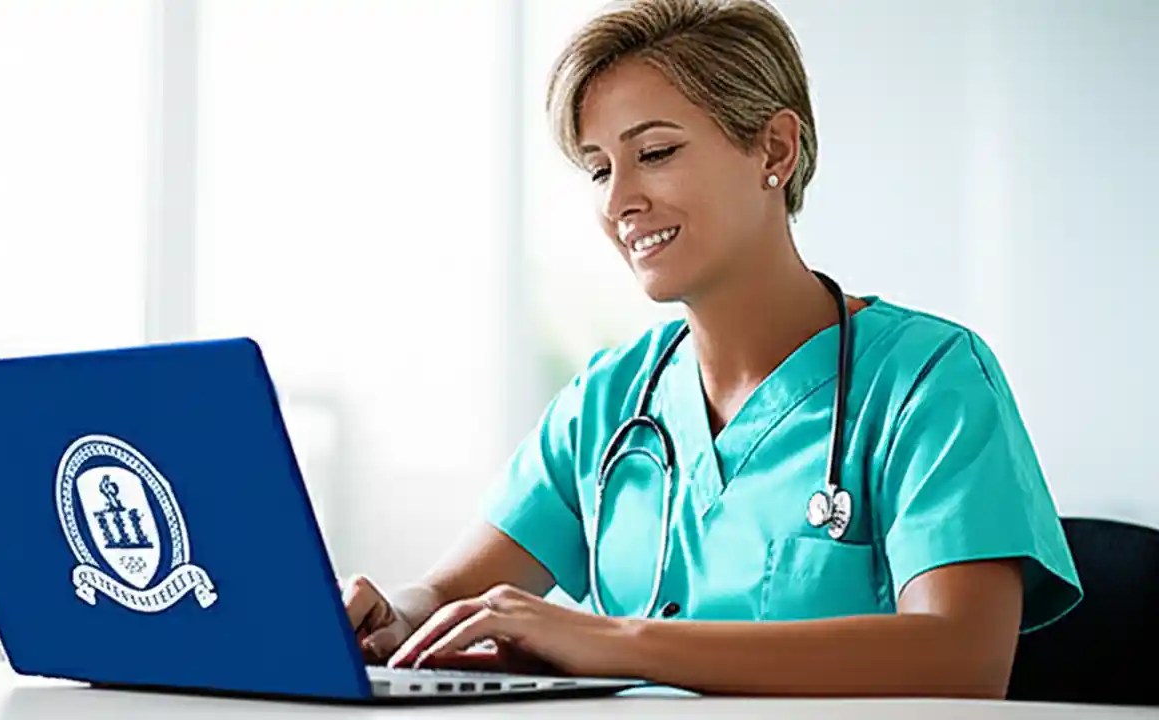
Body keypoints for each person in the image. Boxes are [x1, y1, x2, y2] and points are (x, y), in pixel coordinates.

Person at [341, 0, 1081, 698]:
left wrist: (616, 642)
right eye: (600, 168)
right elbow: (446, 593)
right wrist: (394, 617)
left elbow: (961, 658)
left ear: (776, 149)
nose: (617, 200)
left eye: (655, 152)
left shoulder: (929, 382)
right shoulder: (608, 399)